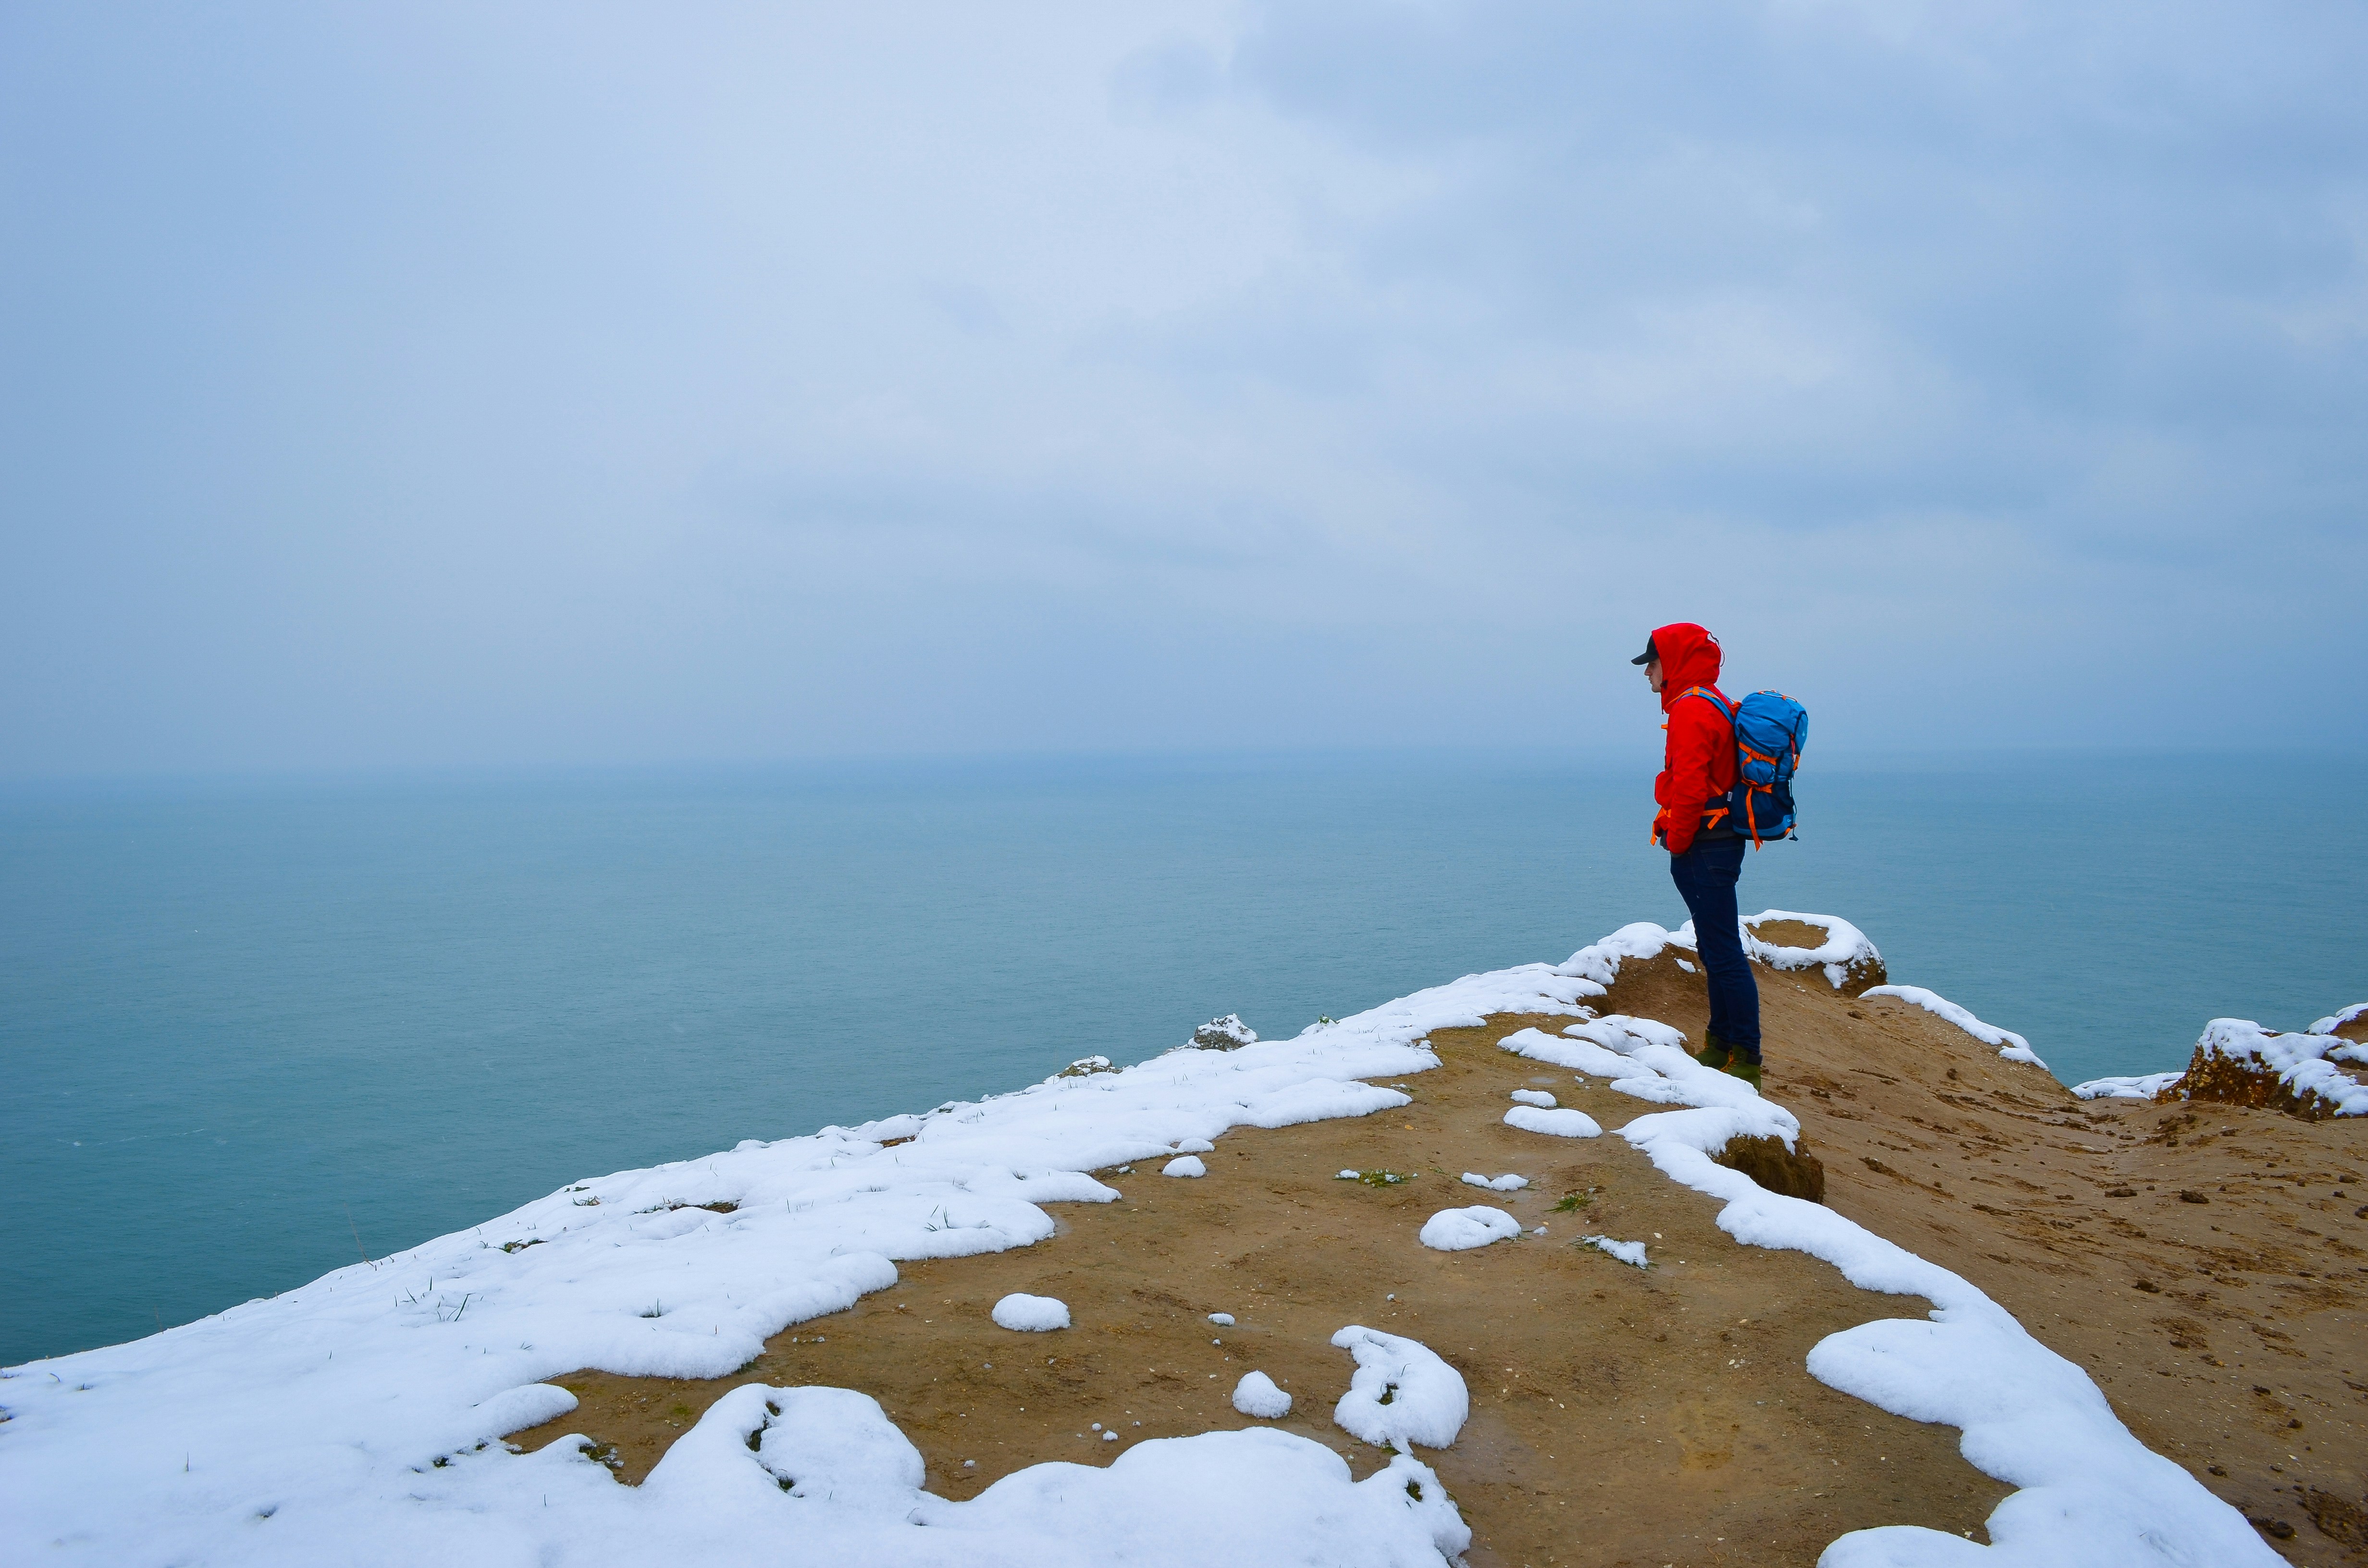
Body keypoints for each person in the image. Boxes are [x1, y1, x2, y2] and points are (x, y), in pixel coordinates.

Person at [1632, 623, 1762, 1089]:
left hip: (1705, 846)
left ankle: (1746, 1057)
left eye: (1651, 661)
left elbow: (1688, 786)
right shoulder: (1712, 701)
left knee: (1723, 951)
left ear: (1673, 662)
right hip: (1718, 842)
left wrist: (1678, 841)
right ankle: (1719, 1045)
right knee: (1714, 946)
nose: (1647, 671)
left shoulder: (1691, 709)